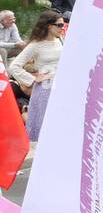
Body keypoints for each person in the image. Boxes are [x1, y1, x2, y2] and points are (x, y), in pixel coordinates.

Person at [7, 11, 63, 141]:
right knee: (43, 130)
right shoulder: (35, 45)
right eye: (59, 25)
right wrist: (33, 79)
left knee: (58, 127)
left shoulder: (60, 41)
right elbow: (14, 66)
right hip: (45, 90)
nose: (62, 27)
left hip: (60, 89)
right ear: (49, 26)